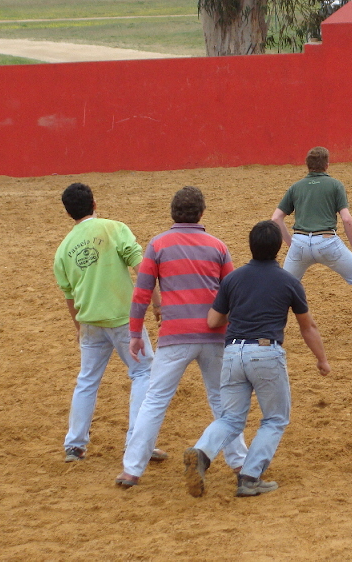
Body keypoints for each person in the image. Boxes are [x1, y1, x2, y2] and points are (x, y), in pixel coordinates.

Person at [183, 220, 331, 498]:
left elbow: (213, 319)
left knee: (230, 419)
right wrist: (321, 359)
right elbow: (307, 326)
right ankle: (250, 477)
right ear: (277, 249)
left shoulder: (233, 279)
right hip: (266, 352)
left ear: (250, 246)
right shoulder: (289, 282)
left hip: (233, 352)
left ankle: (202, 453)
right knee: (275, 419)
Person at [115, 187, 248, 488]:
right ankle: (240, 463)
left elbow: (142, 293)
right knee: (223, 403)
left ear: (173, 212)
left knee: (155, 401)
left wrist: (135, 333)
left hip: (175, 335)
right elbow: (233, 292)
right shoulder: (218, 246)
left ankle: (131, 470)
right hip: (215, 335)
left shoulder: (158, 245)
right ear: (201, 213)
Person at [53, 182, 158, 463]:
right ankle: (137, 442)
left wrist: (79, 329)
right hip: (123, 318)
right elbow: (142, 267)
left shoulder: (63, 250)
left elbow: (69, 297)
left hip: (89, 321)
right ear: (94, 204)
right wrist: (156, 301)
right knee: (143, 372)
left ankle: (74, 444)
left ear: (69, 213)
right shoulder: (114, 228)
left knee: (87, 380)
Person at [271, 146, 352, 348]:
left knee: (281, 290)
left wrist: (291, 243)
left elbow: (276, 218)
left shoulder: (296, 187)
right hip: (327, 242)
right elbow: (347, 219)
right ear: (327, 165)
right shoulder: (335, 185)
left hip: (300, 243)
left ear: (308, 166)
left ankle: (268, 336)